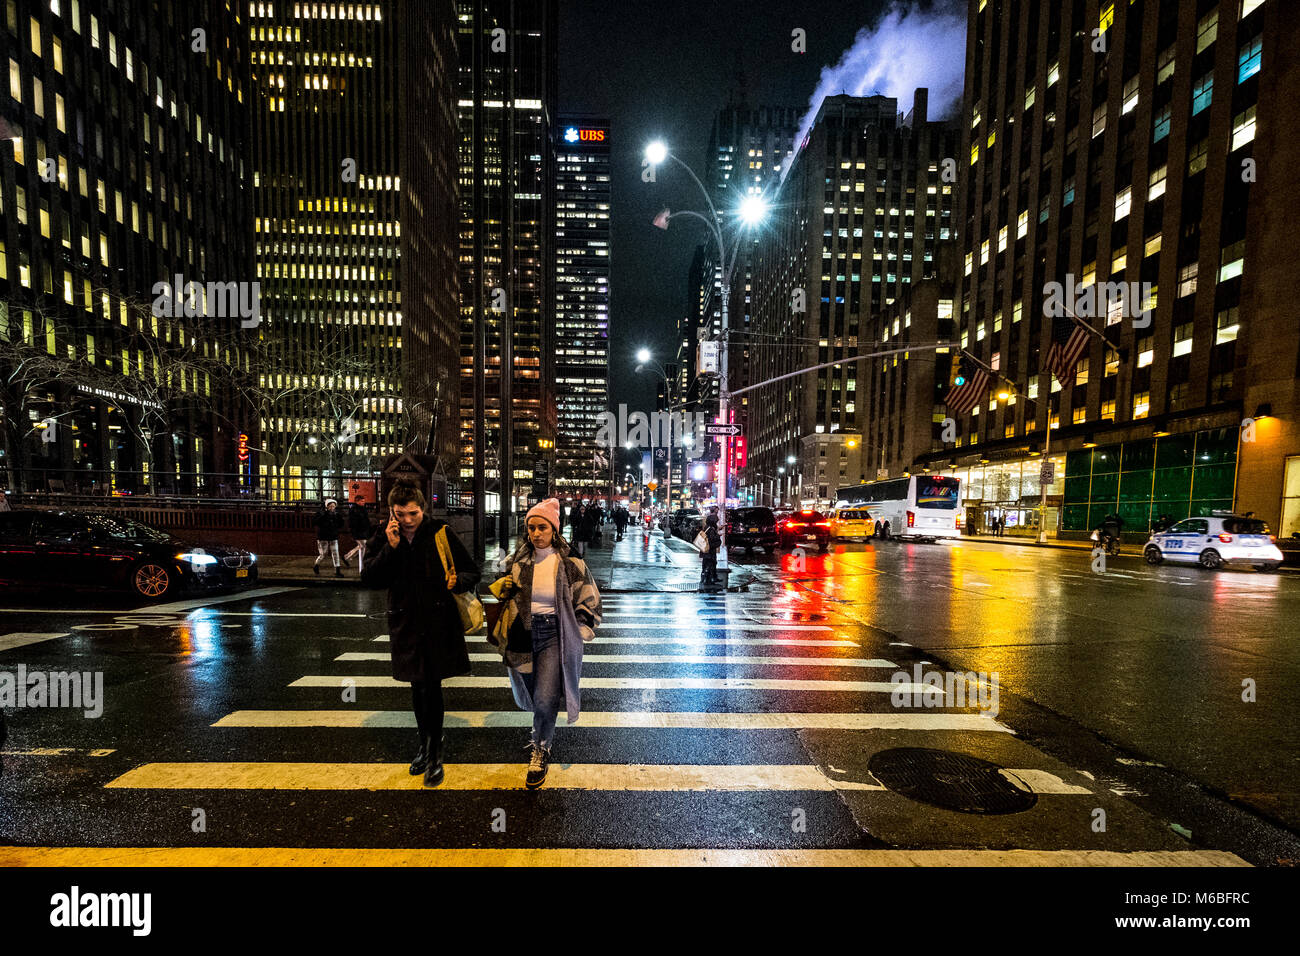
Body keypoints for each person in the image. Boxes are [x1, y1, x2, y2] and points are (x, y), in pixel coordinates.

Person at [361, 481, 480, 787]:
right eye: (401, 513)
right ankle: (425, 745)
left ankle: (434, 752)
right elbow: (370, 578)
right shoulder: (385, 534)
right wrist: (391, 547)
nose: (408, 520)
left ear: (422, 509)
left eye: (413, 513)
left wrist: (458, 581)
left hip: (439, 621)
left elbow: (472, 571)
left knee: (432, 685)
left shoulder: (440, 532)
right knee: (417, 687)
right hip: (406, 623)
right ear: (392, 511)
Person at [487, 498, 602, 789]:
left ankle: (540, 746)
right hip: (523, 633)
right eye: (531, 528)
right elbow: (501, 589)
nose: (536, 533)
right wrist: (502, 586)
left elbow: (587, 595)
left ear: (554, 529)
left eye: (542, 527)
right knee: (529, 689)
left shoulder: (569, 560)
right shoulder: (519, 559)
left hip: (554, 633)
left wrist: (580, 626)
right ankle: (540, 729)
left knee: (546, 696)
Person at [313, 499, 345, 576]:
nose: (332, 508)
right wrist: (325, 515)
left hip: (333, 536)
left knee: (335, 553)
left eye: (333, 506)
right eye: (330, 506)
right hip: (323, 537)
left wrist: (339, 520)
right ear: (326, 506)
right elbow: (316, 522)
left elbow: (341, 523)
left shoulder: (336, 514)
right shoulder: (321, 513)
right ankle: (316, 565)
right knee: (323, 554)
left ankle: (337, 571)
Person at [343, 500, 372, 572]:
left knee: (362, 546)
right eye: (362, 501)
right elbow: (352, 523)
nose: (364, 502)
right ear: (357, 501)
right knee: (363, 547)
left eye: (364, 501)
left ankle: (347, 557)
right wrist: (353, 533)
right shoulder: (354, 510)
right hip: (358, 532)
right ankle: (361, 568)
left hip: (363, 531)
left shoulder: (362, 509)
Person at [700, 513, 722, 587]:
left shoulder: (707, 527)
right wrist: (718, 536)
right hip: (709, 551)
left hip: (706, 550)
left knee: (707, 564)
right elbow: (711, 540)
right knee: (710, 564)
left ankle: (708, 578)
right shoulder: (711, 529)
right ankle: (708, 580)